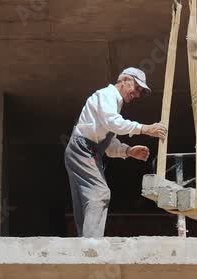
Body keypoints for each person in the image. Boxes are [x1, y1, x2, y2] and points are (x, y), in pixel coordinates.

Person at [64, 67, 167, 237]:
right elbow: (113, 122)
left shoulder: (112, 103)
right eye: (137, 88)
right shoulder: (107, 95)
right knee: (100, 193)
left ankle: (84, 243)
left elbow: (108, 142)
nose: (137, 94)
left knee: (86, 200)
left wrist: (127, 151)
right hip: (82, 149)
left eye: (141, 91)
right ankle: (91, 246)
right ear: (125, 79)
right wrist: (144, 129)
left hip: (85, 150)